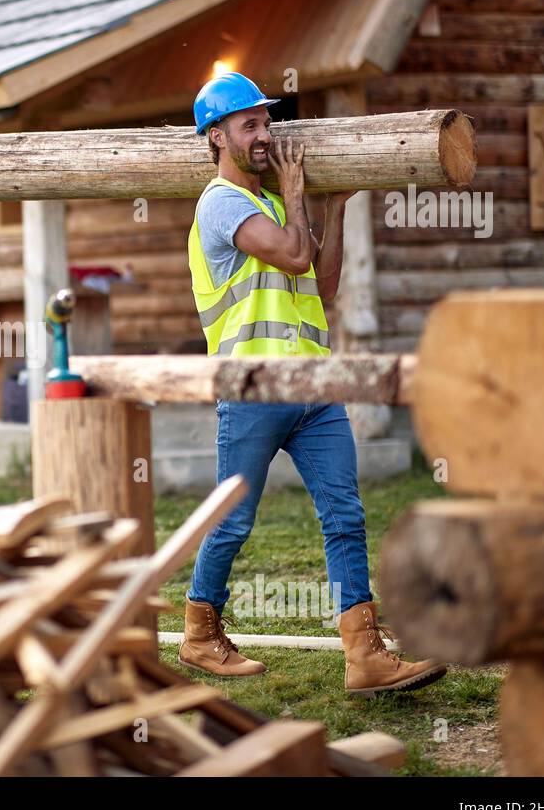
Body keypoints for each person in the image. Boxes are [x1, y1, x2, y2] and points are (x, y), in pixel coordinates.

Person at [179, 73, 445, 696]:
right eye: (250, 125)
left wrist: (334, 206)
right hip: (252, 389)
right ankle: (198, 633)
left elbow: (320, 286)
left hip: (314, 387)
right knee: (233, 523)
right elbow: (295, 257)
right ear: (216, 137)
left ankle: (365, 655)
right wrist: (299, 196)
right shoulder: (221, 203)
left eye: (267, 122)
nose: (265, 135)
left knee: (344, 515)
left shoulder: (273, 207)